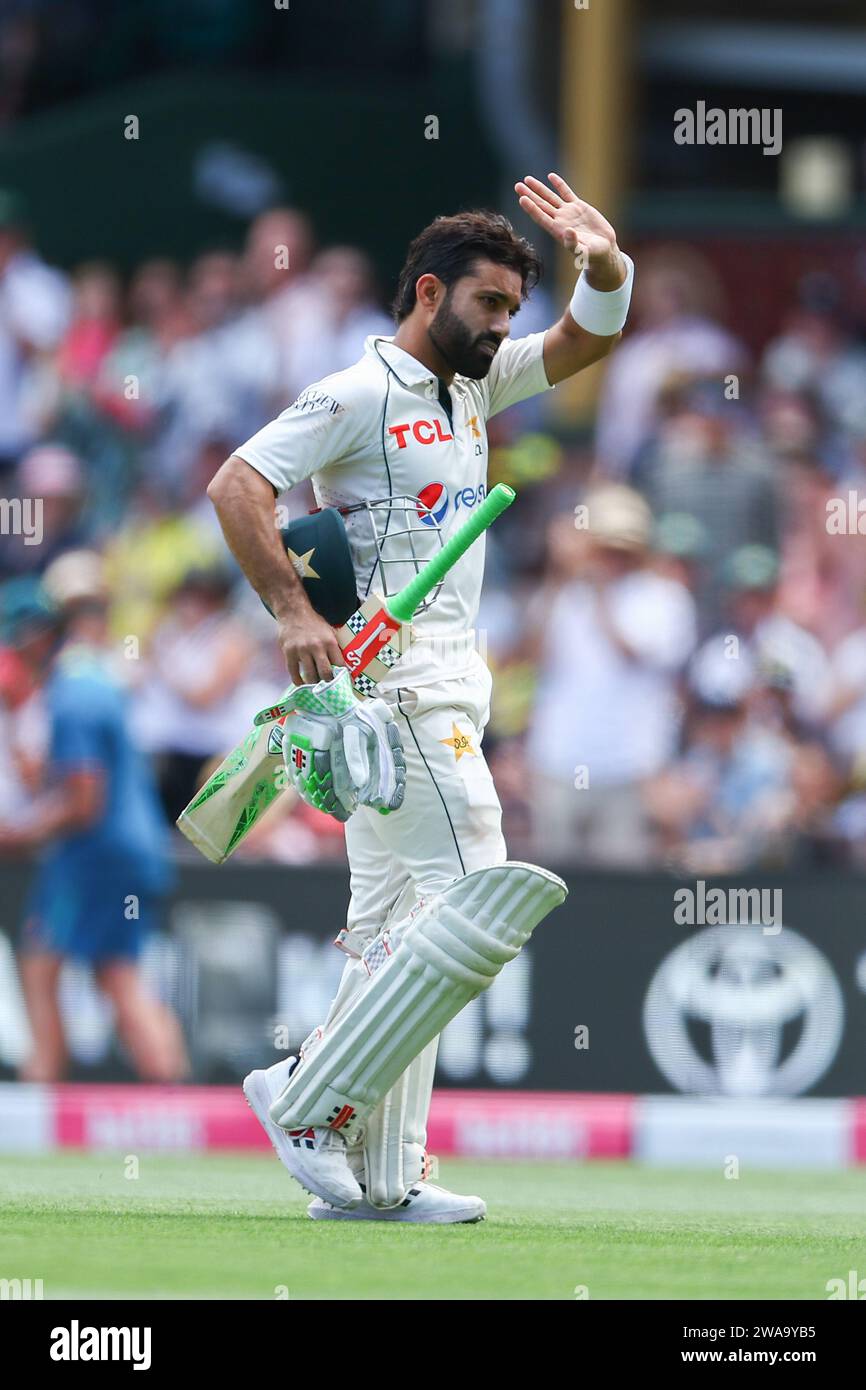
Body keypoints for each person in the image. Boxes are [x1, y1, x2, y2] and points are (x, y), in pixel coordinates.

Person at [207, 174, 634, 1222]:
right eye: (489, 304)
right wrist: (291, 613)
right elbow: (236, 485)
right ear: (429, 291)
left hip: (451, 681)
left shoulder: (471, 386)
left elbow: (583, 343)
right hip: (390, 686)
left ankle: (382, 1177)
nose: (503, 325)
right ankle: (308, 1093)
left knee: (394, 925)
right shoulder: (355, 393)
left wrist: (608, 269)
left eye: (511, 310)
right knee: (472, 894)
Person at [0, 551, 188, 1083]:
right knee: (117, 975)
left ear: (36, 639)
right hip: (125, 852)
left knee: (43, 965)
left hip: (100, 855)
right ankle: (172, 1097)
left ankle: (43, 1088)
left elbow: (83, 803)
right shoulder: (84, 685)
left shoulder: (73, 695)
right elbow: (67, 784)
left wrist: (18, 832)